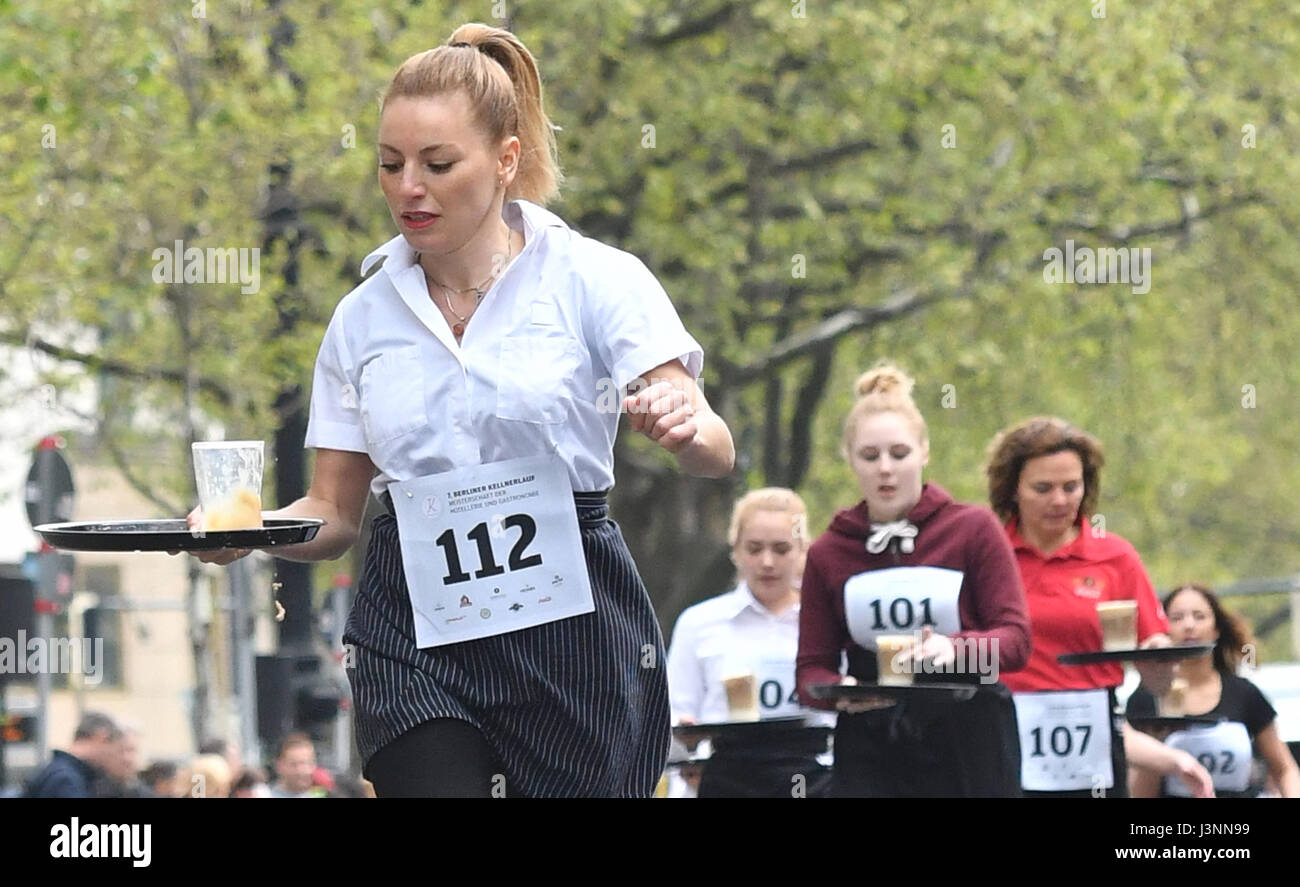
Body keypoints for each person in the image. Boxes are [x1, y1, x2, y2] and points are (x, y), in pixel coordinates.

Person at [184, 22, 732, 798]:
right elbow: (333, 511)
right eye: (390, 163)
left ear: (506, 160)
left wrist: (685, 420)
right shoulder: (361, 318)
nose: (410, 185)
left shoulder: (595, 279)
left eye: (438, 164)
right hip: (410, 621)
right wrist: (252, 531)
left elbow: (715, 446)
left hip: (569, 615)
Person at [796, 365, 1031, 797]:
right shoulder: (828, 551)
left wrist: (954, 649)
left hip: (969, 736)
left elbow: (1016, 642)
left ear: (924, 452)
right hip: (872, 742)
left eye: (899, 454)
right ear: (849, 459)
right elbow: (810, 670)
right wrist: (837, 692)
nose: (886, 469)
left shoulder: (973, 528)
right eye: (870, 456)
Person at [986, 417, 1211, 798]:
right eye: (1043, 488)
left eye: (1071, 487)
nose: (1060, 500)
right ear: (1012, 490)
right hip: (1001, 738)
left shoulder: (1116, 557)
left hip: (1094, 746)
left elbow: (1158, 682)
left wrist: (1158, 659)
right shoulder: (988, 555)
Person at [666, 488, 833, 798]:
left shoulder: (827, 623)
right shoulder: (699, 623)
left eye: (781, 549)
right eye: (754, 549)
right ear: (735, 550)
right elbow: (672, 717)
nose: (767, 562)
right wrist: (687, 746)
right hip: (721, 782)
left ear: (803, 551)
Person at [1126, 583, 1300, 798]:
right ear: (1164, 629)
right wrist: (1156, 747)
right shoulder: (1146, 699)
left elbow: (1285, 768)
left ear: (1216, 629)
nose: (1189, 625)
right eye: (1177, 618)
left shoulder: (1244, 694)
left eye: (1199, 616)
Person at [24, 711, 120, 798]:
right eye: (114, 751)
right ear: (101, 738)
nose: (112, 758)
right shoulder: (67, 780)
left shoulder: (56, 771)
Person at [268, 733, 323, 798]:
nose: (305, 771)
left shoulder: (323, 794)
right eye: (295, 764)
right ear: (279, 765)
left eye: (309, 763)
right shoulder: (265, 795)